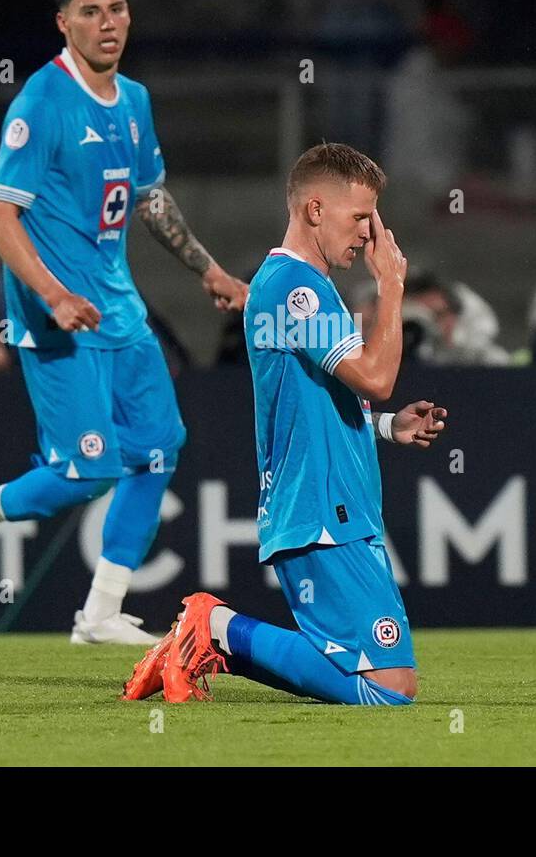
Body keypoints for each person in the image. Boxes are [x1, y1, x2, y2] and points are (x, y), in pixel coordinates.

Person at [0, 0, 248, 646]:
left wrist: (209, 269)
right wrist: (53, 293)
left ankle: (100, 612)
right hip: (56, 320)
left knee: (160, 448)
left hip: (120, 312)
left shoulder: (134, 100)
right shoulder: (41, 104)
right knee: (90, 467)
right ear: (63, 23)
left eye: (118, 9)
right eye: (92, 12)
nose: (108, 23)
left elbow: (149, 197)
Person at [123, 143, 447, 705]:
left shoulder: (297, 289)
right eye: (361, 217)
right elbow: (376, 377)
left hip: (333, 506)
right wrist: (392, 287)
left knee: (373, 680)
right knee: (387, 687)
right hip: (324, 510)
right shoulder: (295, 291)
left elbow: (319, 406)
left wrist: (387, 427)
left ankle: (213, 640)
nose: (370, 234)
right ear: (315, 211)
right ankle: (215, 629)